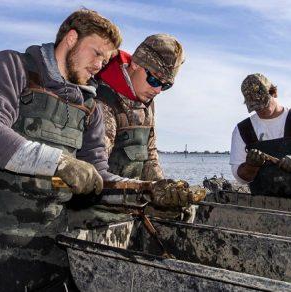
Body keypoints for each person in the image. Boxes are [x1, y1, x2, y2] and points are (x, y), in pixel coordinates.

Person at [0, 9, 121, 291]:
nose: (99, 65)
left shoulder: (90, 107)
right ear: (71, 38)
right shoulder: (12, 66)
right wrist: (59, 162)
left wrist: (146, 190)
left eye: (105, 61)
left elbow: (98, 174)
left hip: (57, 249)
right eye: (96, 53)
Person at [74, 34, 198, 225]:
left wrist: (162, 190)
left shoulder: (147, 102)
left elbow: (149, 155)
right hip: (95, 215)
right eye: (155, 80)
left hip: (131, 209)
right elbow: (95, 173)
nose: (157, 90)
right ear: (136, 64)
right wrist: (147, 192)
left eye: (164, 86)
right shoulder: (102, 102)